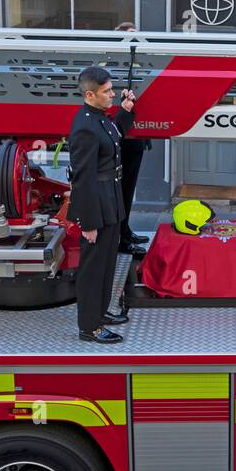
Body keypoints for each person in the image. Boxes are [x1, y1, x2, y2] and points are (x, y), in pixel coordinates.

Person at [68, 66, 130, 344]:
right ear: (90, 94)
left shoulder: (101, 119)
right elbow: (82, 178)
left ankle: (101, 312)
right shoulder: (84, 126)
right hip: (96, 204)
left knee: (107, 264)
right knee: (93, 270)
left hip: (111, 200)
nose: (112, 94)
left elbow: (115, 140)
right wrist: (88, 222)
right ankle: (89, 327)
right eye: (107, 91)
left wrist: (126, 112)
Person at [113, 88, 150, 257]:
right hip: (124, 146)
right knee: (123, 194)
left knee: (127, 193)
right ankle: (122, 241)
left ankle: (125, 232)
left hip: (134, 143)